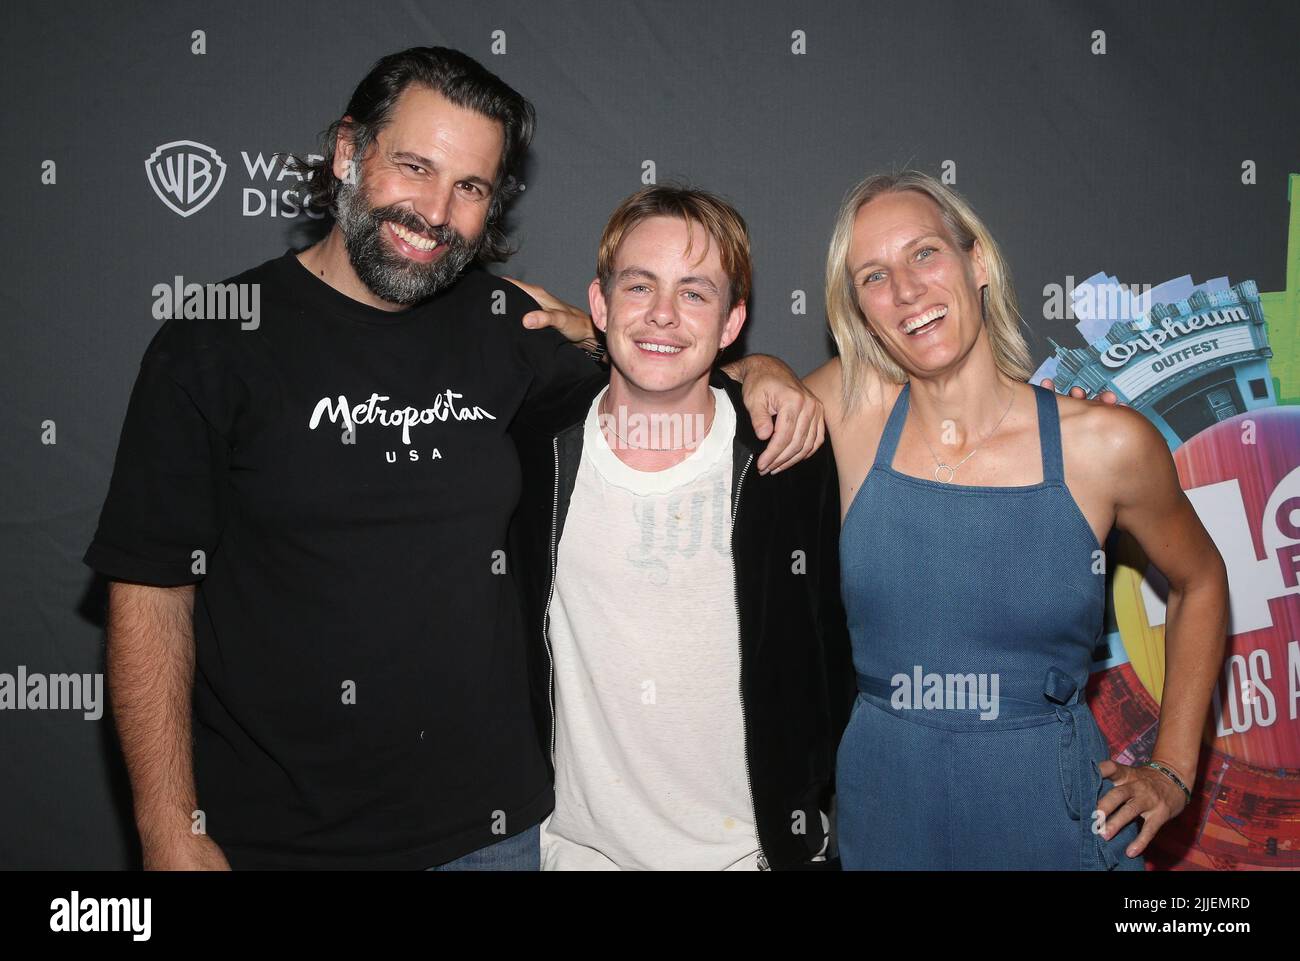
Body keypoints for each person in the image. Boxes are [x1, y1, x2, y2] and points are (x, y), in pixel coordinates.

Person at [84, 46, 822, 871]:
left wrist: (758, 369)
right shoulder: (212, 345)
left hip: (495, 833)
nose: (436, 210)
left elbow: (652, 358)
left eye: (470, 187)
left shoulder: (510, 328)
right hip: (276, 838)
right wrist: (166, 825)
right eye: (414, 166)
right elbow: (149, 593)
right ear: (347, 153)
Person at [805, 170, 1229, 870]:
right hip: (884, 805)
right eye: (874, 276)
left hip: (1048, 812)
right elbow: (704, 393)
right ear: (858, 310)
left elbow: (1202, 580)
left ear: (976, 263)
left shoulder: (1106, 446)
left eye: (923, 254)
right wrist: (750, 365)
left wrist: (1175, 766)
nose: (906, 290)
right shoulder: (846, 412)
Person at [508, 186, 855, 870]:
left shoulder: (783, 457)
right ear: (600, 306)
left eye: (695, 293)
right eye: (640, 286)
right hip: (576, 856)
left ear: (732, 323)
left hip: (749, 856)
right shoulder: (534, 443)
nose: (663, 314)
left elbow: (825, 659)